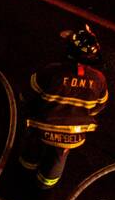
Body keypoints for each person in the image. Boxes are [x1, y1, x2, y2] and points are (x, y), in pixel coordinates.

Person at [19, 25, 108, 189]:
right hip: (73, 134)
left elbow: (27, 95)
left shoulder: (51, 72)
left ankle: (24, 170)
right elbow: (99, 107)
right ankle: (44, 184)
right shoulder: (99, 79)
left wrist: (31, 110)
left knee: (33, 147)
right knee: (57, 159)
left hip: (42, 126)